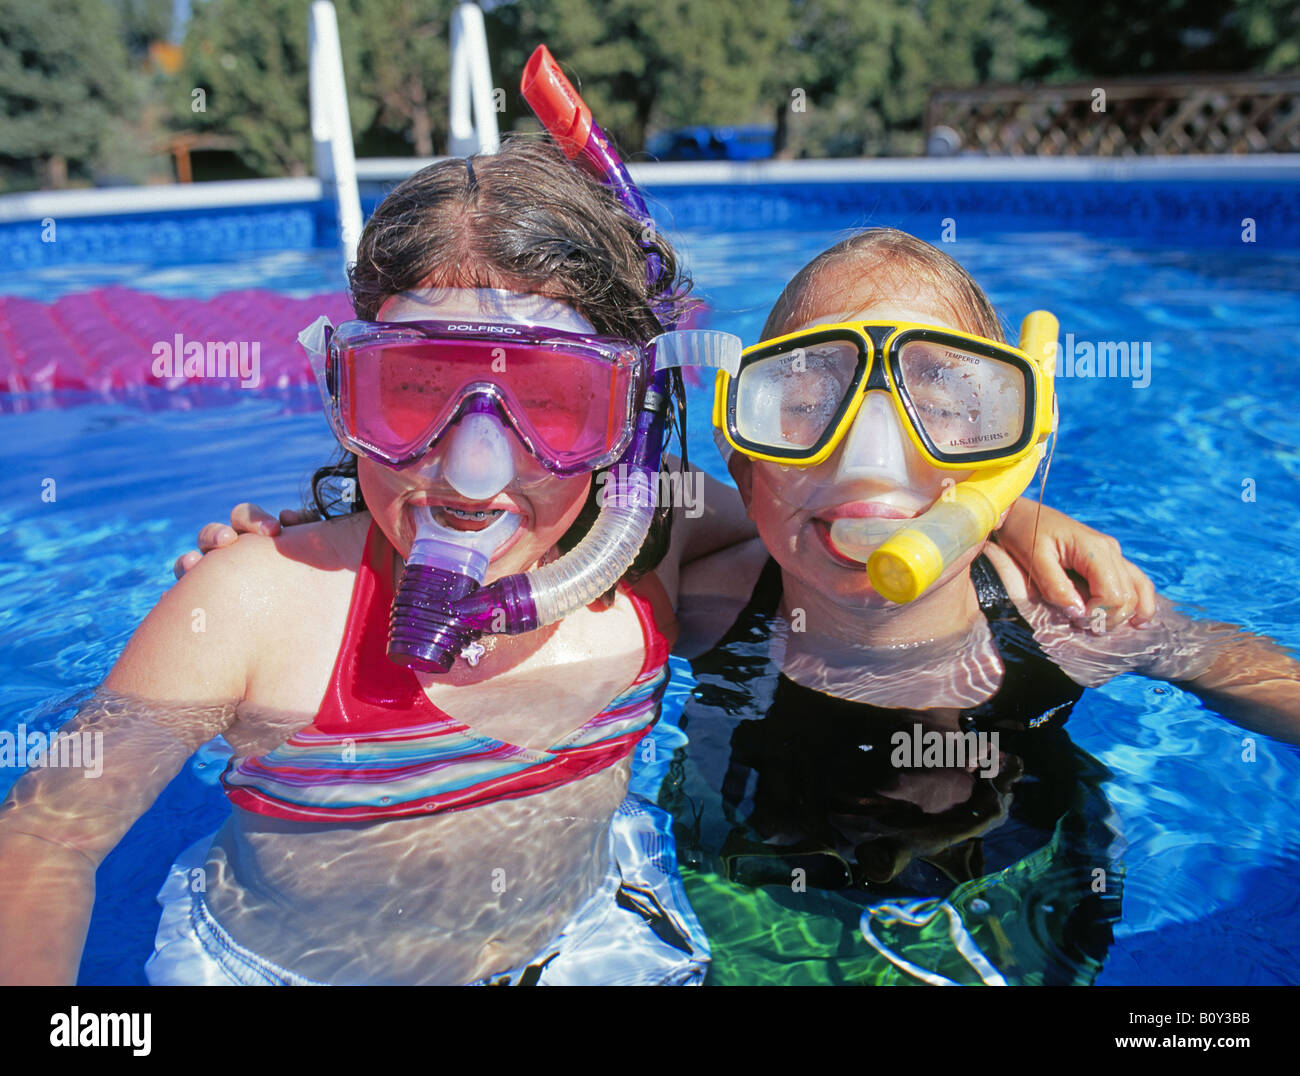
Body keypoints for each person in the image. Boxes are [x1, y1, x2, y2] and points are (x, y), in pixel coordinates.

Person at [0, 140, 724, 986]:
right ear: (342, 390)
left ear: (630, 424)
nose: (473, 468)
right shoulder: (254, 607)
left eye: (549, 400)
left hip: (590, 946)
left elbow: (805, 543)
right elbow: (45, 836)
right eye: (413, 389)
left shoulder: (651, 552)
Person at [658, 227, 1300, 984]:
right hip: (753, 900)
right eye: (802, 403)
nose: (870, 456)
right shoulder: (703, 604)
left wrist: (1012, 513)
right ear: (742, 459)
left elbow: (1236, 667)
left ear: (1012, 455)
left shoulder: (1062, 618)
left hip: (1013, 894)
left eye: (938, 406)